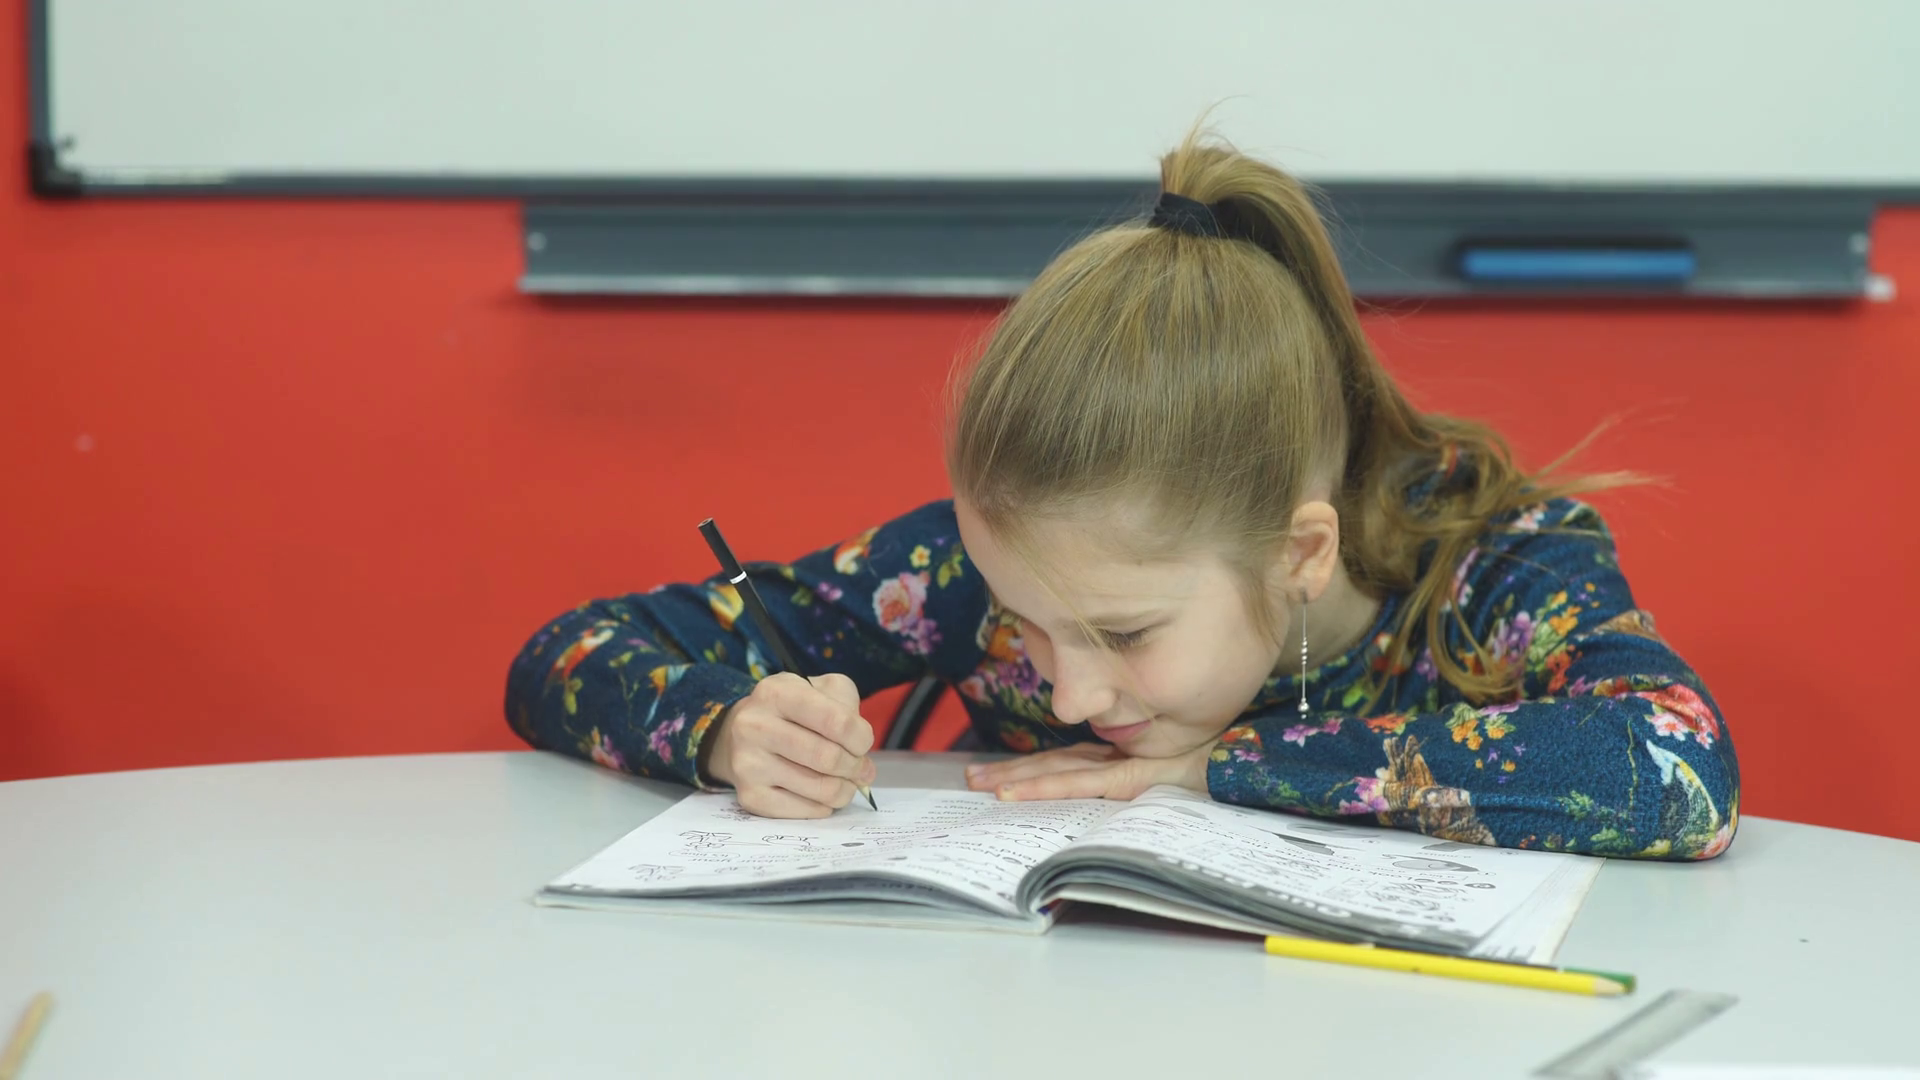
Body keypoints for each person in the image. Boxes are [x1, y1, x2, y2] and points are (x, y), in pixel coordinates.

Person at [504, 129, 1738, 860]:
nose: (1066, 687)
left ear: (1301, 554)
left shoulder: (1490, 568)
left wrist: (1221, 768)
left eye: (1128, 633)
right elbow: (562, 655)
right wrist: (729, 728)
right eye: (1024, 619)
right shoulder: (965, 584)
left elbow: (1679, 766)